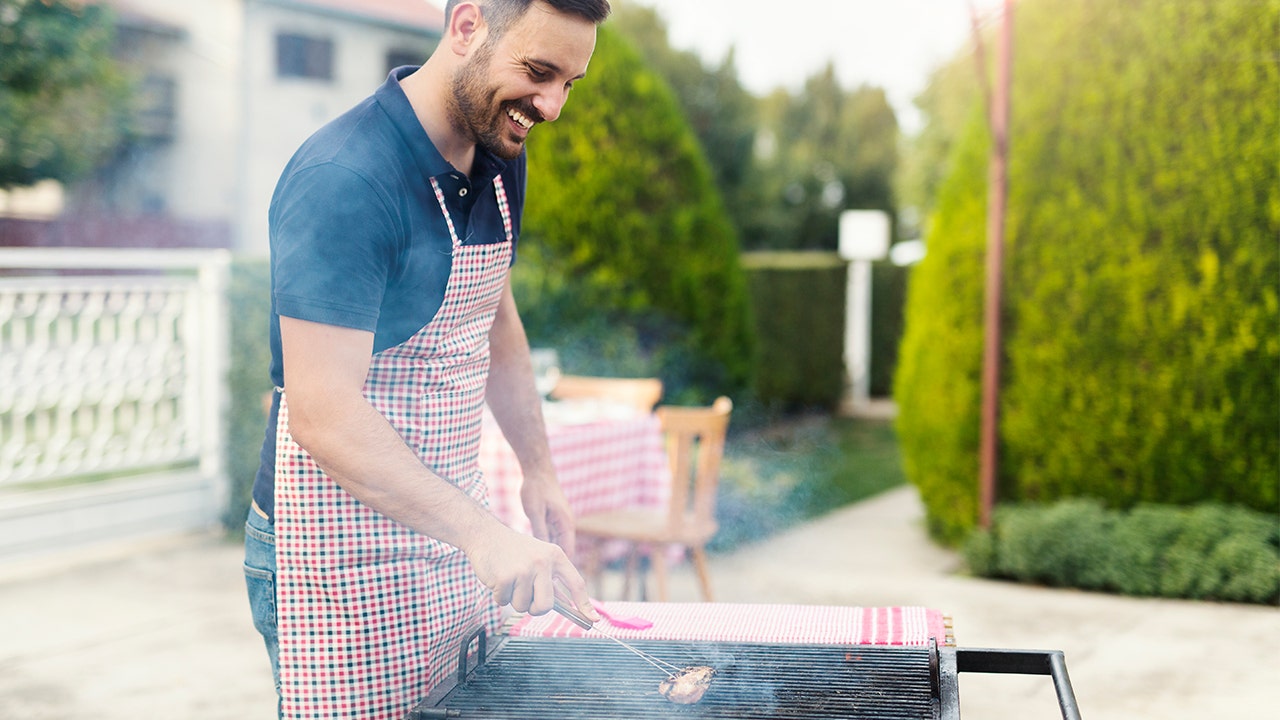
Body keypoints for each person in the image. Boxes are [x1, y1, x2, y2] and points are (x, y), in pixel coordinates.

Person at [242, 1, 611, 717]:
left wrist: (538, 470)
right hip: (333, 550)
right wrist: (483, 533)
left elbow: (494, 317)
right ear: (467, 26)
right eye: (540, 73)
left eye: (570, 83)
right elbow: (323, 413)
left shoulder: (499, 149)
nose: (553, 106)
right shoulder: (345, 179)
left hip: (445, 533)